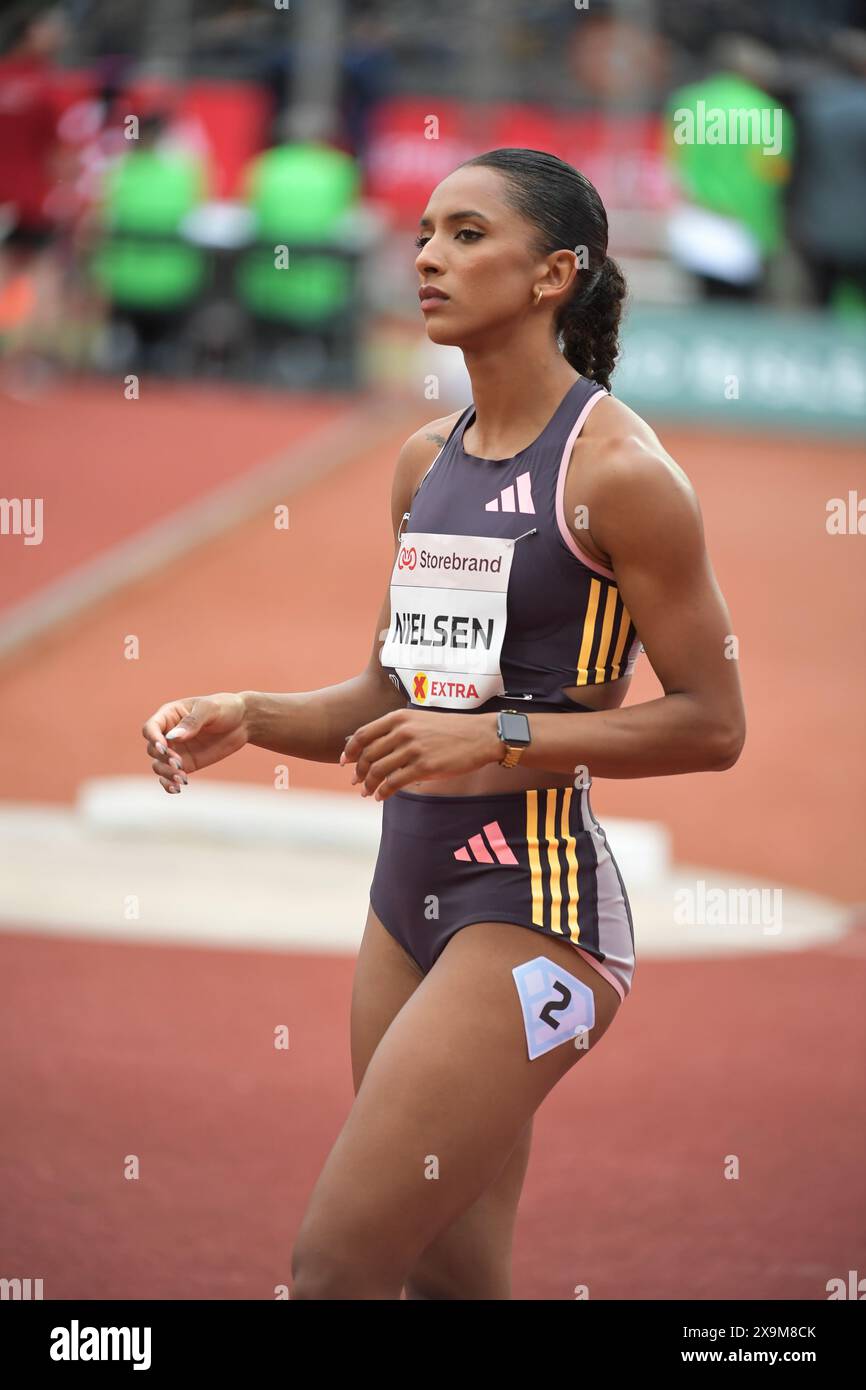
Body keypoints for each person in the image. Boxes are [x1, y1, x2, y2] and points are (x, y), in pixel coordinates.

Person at [141, 148, 746, 1300]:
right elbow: (394, 695)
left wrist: (499, 738)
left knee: (333, 1267)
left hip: (536, 911)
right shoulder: (423, 463)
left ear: (553, 274)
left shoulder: (619, 474)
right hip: (402, 900)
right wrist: (250, 714)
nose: (426, 256)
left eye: (466, 235)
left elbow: (712, 726)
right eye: (423, 232)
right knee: (447, 1282)